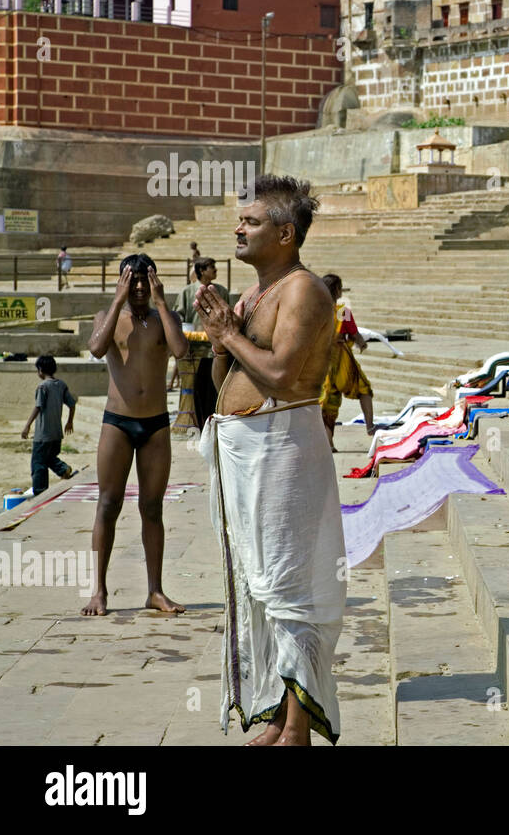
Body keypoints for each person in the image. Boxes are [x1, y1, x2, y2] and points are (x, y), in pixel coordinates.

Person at [196, 175, 346, 746]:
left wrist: (230, 334)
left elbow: (282, 374)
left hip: (284, 448)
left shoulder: (303, 290)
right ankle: (281, 718)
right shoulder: (254, 294)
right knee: (258, 584)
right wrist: (219, 342)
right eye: (240, 220)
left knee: (289, 586)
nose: (238, 228)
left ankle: (298, 729)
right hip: (247, 450)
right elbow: (226, 380)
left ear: (285, 234)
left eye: (251, 222)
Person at [83, 254, 188, 617]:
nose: (140, 288)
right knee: (108, 504)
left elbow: (181, 350)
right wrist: (117, 300)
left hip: (156, 424)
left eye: (146, 282)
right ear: (123, 283)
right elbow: (96, 348)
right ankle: (99, 590)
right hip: (118, 423)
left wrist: (162, 302)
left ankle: (155, 591)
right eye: (134, 282)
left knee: (152, 508)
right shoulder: (109, 318)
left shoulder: (164, 319)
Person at [319, 272, 376, 447]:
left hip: (322, 363)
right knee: (364, 389)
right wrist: (362, 344)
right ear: (337, 290)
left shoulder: (317, 311)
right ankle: (370, 427)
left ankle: (329, 443)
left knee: (328, 405)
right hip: (342, 362)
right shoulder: (342, 312)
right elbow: (356, 336)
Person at [174, 257, 229, 428]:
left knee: (212, 388)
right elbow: (179, 317)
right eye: (211, 267)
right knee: (193, 388)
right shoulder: (187, 292)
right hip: (193, 350)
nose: (215, 270)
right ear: (201, 270)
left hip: (215, 350)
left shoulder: (221, 291)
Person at [21, 355, 78, 495]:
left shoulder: (42, 387)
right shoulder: (61, 385)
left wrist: (27, 425)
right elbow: (72, 404)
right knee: (49, 458)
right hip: (56, 434)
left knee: (38, 463)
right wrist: (69, 421)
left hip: (43, 435)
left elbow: (38, 407)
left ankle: (40, 492)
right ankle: (63, 469)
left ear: (40, 370)